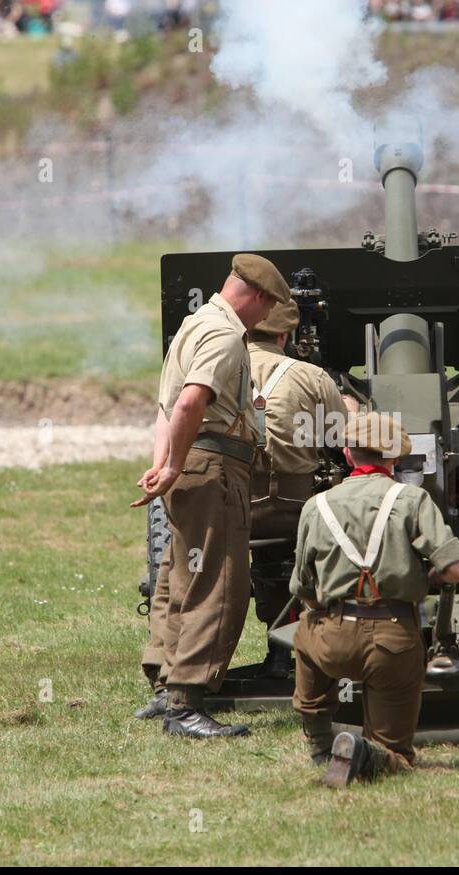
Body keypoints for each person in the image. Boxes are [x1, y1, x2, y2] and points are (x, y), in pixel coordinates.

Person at [131, 253, 290, 738]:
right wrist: (176, 464)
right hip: (213, 465)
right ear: (257, 296)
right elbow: (190, 401)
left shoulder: (193, 325)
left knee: (179, 574)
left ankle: (165, 686)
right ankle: (186, 703)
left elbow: (166, 407)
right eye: (268, 308)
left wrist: (164, 465)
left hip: (190, 464)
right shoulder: (224, 336)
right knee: (219, 582)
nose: (266, 320)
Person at [290, 412, 459, 787]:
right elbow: (456, 569)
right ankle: (367, 753)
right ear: (395, 458)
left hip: (331, 641)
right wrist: (428, 577)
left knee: (305, 631)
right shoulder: (413, 499)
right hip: (393, 639)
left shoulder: (316, 505)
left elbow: (302, 586)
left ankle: (321, 745)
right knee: (397, 754)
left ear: (347, 453)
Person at [246, 299, 357, 678]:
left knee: (265, 558)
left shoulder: (220, 368)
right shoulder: (309, 375)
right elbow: (342, 438)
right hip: (298, 508)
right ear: (284, 334)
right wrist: (350, 406)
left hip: (240, 508)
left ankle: (278, 654)